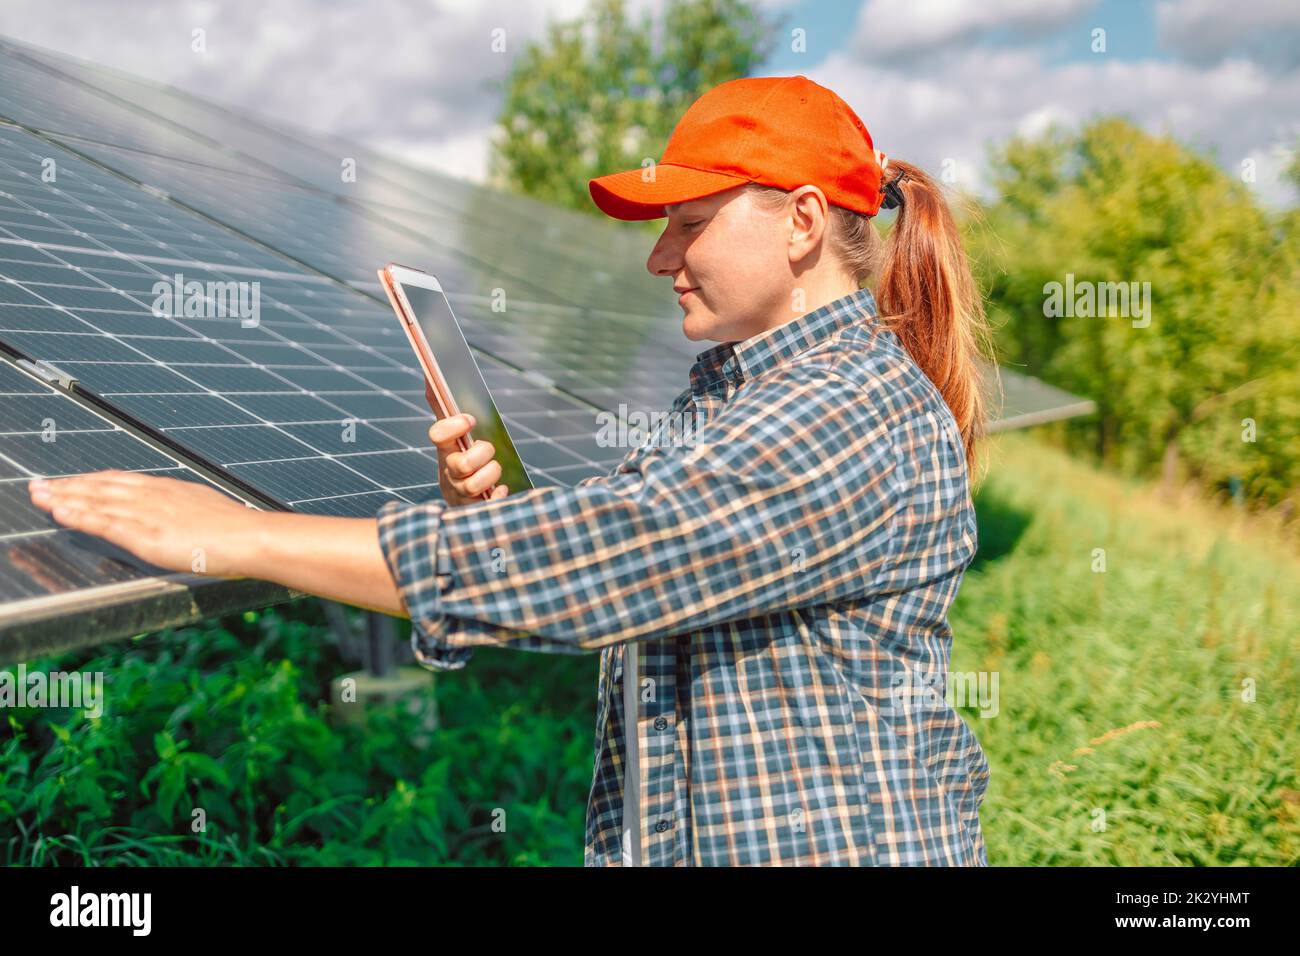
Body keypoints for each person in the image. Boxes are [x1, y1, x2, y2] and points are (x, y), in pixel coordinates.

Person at [27, 74, 996, 866]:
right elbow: (646, 567)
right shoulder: (742, 397)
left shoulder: (839, 416)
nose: (660, 257)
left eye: (688, 222)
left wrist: (236, 534)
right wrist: (489, 515)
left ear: (800, 221)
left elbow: (608, 562)